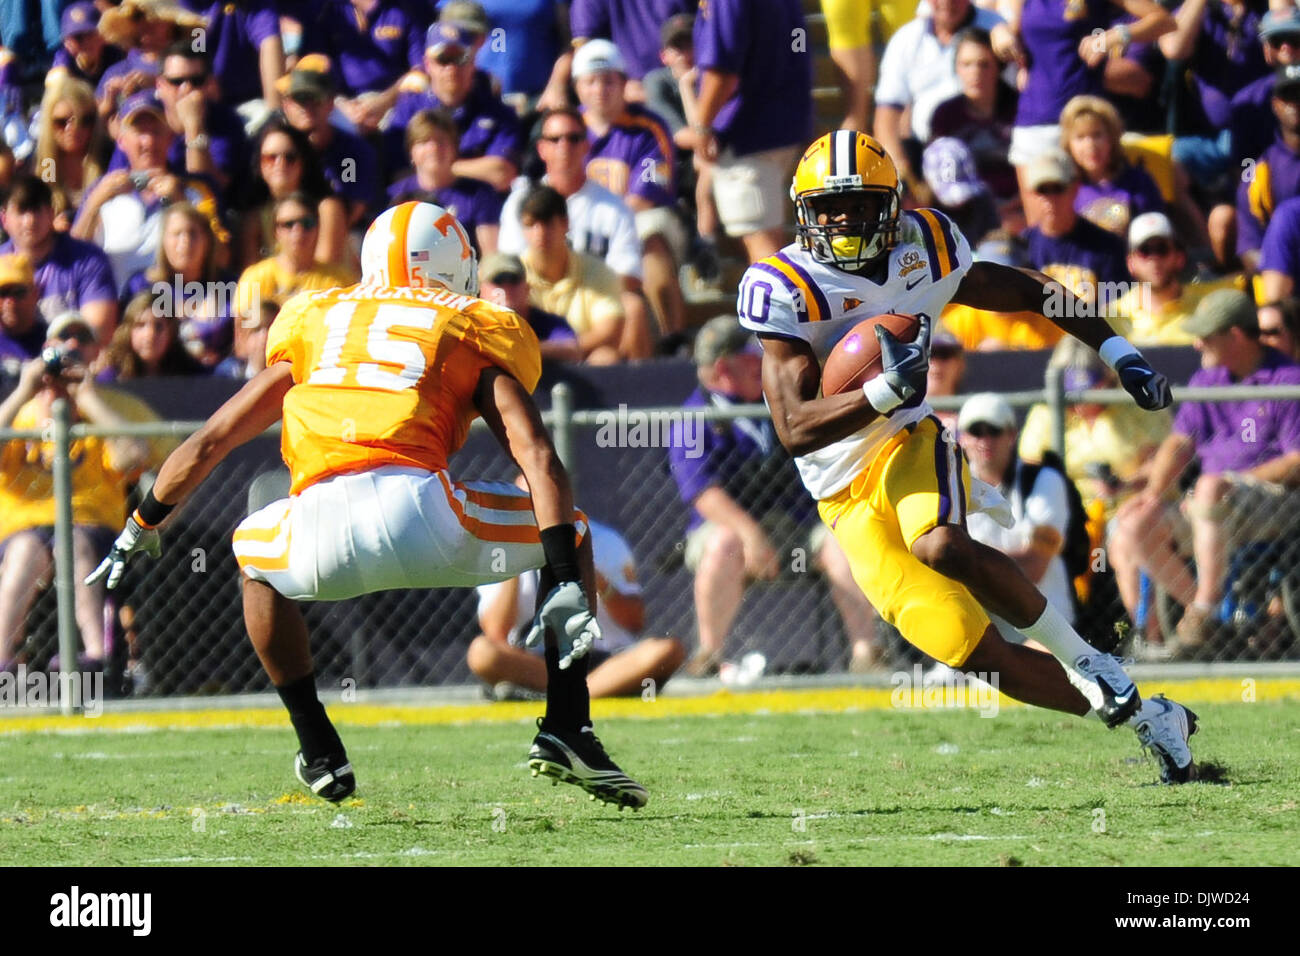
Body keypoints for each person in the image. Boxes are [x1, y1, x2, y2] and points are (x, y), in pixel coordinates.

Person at [87, 201, 648, 809]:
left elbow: (210, 440)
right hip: (422, 514)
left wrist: (140, 523)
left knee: (254, 559)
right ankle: (568, 726)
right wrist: (562, 574)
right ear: (453, 263)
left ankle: (318, 744)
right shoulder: (471, 322)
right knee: (577, 532)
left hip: (315, 525)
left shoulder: (316, 320)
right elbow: (536, 454)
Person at [737, 129, 1196, 783]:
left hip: (906, 440)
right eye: (828, 207)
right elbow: (792, 429)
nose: (842, 220)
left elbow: (1031, 290)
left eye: (858, 204)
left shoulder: (925, 246)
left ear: (891, 205)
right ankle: (1152, 716)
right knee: (977, 655)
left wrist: (1119, 352)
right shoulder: (784, 284)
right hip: (838, 484)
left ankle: (1090, 659)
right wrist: (879, 389)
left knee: (942, 545)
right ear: (804, 211)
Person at [670, 314, 884, 676]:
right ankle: (708, 656)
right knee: (724, 543)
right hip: (730, 532)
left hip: (798, 527)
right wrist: (750, 535)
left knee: (841, 542)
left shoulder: (784, 400)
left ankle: (868, 655)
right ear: (724, 368)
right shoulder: (695, 417)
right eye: (754, 358)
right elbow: (702, 492)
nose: (764, 364)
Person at [1111, 289, 1300, 657]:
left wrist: (1233, 484)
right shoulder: (1205, 381)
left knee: (1210, 488)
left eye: (1206, 335)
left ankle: (1205, 607)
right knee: (1135, 522)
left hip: (1276, 505)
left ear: (1236, 336)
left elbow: (1297, 460)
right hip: (1210, 505)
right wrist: (1152, 495)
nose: (1197, 344)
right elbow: (1178, 445)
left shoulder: (1288, 379)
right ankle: (1213, 623)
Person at [0, 310, 156, 672]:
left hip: (91, 526)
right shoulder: (20, 414)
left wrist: (87, 398)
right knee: (25, 550)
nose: (71, 348)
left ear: (94, 353)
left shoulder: (104, 411)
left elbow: (134, 458)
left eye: (81, 342)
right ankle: (3, 661)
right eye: (61, 342)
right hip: (24, 527)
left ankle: (93, 659)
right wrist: (26, 388)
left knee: (74, 544)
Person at [469, 496, 687, 700]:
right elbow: (495, 632)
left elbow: (634, 622)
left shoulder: (605, 540)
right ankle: (584, 692)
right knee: (482, 652)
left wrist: (596, 579)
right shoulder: (499, 547)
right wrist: (515, 564)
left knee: (667, 650)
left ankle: (563, 695)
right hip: (537, 662)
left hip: (606, 660)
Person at [497, 108, 650, 348]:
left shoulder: (614, 207)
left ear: (586, 146)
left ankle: (635, 384)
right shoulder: (519, 202)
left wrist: (582, 288)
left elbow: (629, 277)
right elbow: (509, 267)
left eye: (573, 138)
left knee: (633, 306)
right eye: (555, 139)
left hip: (591, 302)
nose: (564, 146)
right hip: (534, 300)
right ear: (541, 148)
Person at [571, 39, 687, 339]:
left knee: (652, 242)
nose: (600, 89)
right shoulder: (566, 129)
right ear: (577, 87)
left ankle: (672, 337)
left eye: (608, 80)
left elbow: (646, 197)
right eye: (591, 81)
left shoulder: (649, 126)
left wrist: (609, 226)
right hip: (578, 224)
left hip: (636, 219)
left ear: (623, 83)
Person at [689, 0, 813, 264]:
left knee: (764, 248)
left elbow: (723, 69)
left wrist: (701, 127)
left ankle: (780, 305)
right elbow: (796, 42)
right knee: (772, 241)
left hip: (747, 131)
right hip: (783, 122)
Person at [72, 91, 230, 293]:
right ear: (121, 140)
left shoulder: (193, 191)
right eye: (139, 132)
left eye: (155, 131)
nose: (148, 142)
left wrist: (180, 202)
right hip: (117, 308)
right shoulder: (102, 191)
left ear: (170, 138)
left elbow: (222, 259)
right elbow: (72, 259)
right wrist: (95, 203)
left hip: (177, 306)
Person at [958, 392, 1074, 651]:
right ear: (962, 438)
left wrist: (969, 561)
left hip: (1046, 619)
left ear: (1012, 435)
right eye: (976, 431)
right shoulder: (953, 487)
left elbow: (1035, 565)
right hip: (979, 624)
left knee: (1030, 674)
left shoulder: (1045, 480)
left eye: (995, 431)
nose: (985, 440)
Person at [874, 0, 1006, 199]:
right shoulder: (907, 39)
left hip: (993, 145)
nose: (946, 2)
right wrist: (904, 178)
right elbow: (885, 119)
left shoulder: (996, 29)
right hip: (928, 154)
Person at [384, 22, 525, 191]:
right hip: (419, 203)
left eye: (460, 58)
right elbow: (395, 171)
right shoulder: (408, 109)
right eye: (443, 59)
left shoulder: (498, 113)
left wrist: (437, 165)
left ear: (473, 62)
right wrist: (472, 168)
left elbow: (502, 173)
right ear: (428, 64)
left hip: (480, 209)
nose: (451, 68)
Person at [0, 175, 118, 345]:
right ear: (4, 218)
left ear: (51, 213)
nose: (29, 221)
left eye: (36, 210)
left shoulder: (87, 260)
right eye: (21, 211)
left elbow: (97, 334)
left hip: (71, 360)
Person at [121, 202, 240, 367]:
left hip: (216, 379)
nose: (185, 242)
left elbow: (243, 344)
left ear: (207, 241)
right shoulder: (140, 285)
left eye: (193, 234)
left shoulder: (231, 287)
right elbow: (125, 340)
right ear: (163, 241)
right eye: (177, 234)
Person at [518, 185, 628, 363]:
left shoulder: (598, 271)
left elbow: (609, 330)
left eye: (547, 223)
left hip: (581, 362)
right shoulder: (512, 275)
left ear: (565, 224)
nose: (540, 233)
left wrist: (556, 351)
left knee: (606, 358)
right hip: (523, 364)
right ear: (522, 230)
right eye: (531, 225)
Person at [278, 54, 381, 230]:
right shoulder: (277, 150)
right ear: (287, 105)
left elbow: (354, 207)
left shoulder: (350, 155)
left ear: (331, 103)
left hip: (342, 235)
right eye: (300, 99)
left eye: (315, 99)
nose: (307, 107)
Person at [1108, 211, 1242, 345]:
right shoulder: (1114, 315)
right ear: (1130, 263)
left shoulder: (1211, 302)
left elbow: (1246, 281)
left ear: (1180, 258)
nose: (1154, 258)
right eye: (1145, 251)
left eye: (1162, 249)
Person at [1022, 150, 1130, 312]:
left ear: (1075, 188)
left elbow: (1116, 312)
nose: (1050, 199)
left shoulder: (1107, 246)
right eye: (1042, 190)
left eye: (1057, 188)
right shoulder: (1023, 245)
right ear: (1031, 194)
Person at [387, 109, 504, 254]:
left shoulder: (479, 195)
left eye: (441, 141)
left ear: (454, 147)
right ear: (411, 151)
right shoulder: (396, 196)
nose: (433, 148)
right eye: (423, 142)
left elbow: (490, 256)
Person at [239, 116, 347, 269]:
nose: (280, 164)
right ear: (260, 165)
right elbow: (251, 280)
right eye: (271, 158)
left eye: (290, 157)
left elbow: (326, 273)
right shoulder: (254, 220)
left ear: (303, 162)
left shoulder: (327, 209)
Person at [1060, 95, 1166, 239]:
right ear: (1068, 144)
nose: (1090, 145)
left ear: (1111, 138)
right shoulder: (1064, 190)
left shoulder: (1138, 182)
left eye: (1097, 135)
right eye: (1080, 137)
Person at [31, 74, 107, 228]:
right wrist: (51, 228)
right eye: (62, 122)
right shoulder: (49, 163)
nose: (73, 129)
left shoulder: (106, 157)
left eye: (85, 120)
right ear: (48, 123)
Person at [478, 252, 582, 363]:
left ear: (527, 288)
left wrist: (516, 350)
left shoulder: (546, 322)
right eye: (498, 281)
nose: (507, 288)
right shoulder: (472, 323)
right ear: (480, 290)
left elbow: (572, 350)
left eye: (513, 280)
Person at [98, 290, 209, 380]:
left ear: (171, 332)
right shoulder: (112, 378)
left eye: (158, 327)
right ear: (128, 331)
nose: (150, 334)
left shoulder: (192, 376)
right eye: (140, 325)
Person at [48, 2, 126, 90]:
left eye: (90, 35)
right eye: (78, 38)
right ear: (66, 44)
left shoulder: (116, 54)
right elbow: (55, 78)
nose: (86, 42)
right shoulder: (65, 59)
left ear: (103, 36)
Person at [0, 254, 45, 363]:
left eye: (18, 293)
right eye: (2, 293)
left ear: (35, 294)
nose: (10, 301)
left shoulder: (51, 340)